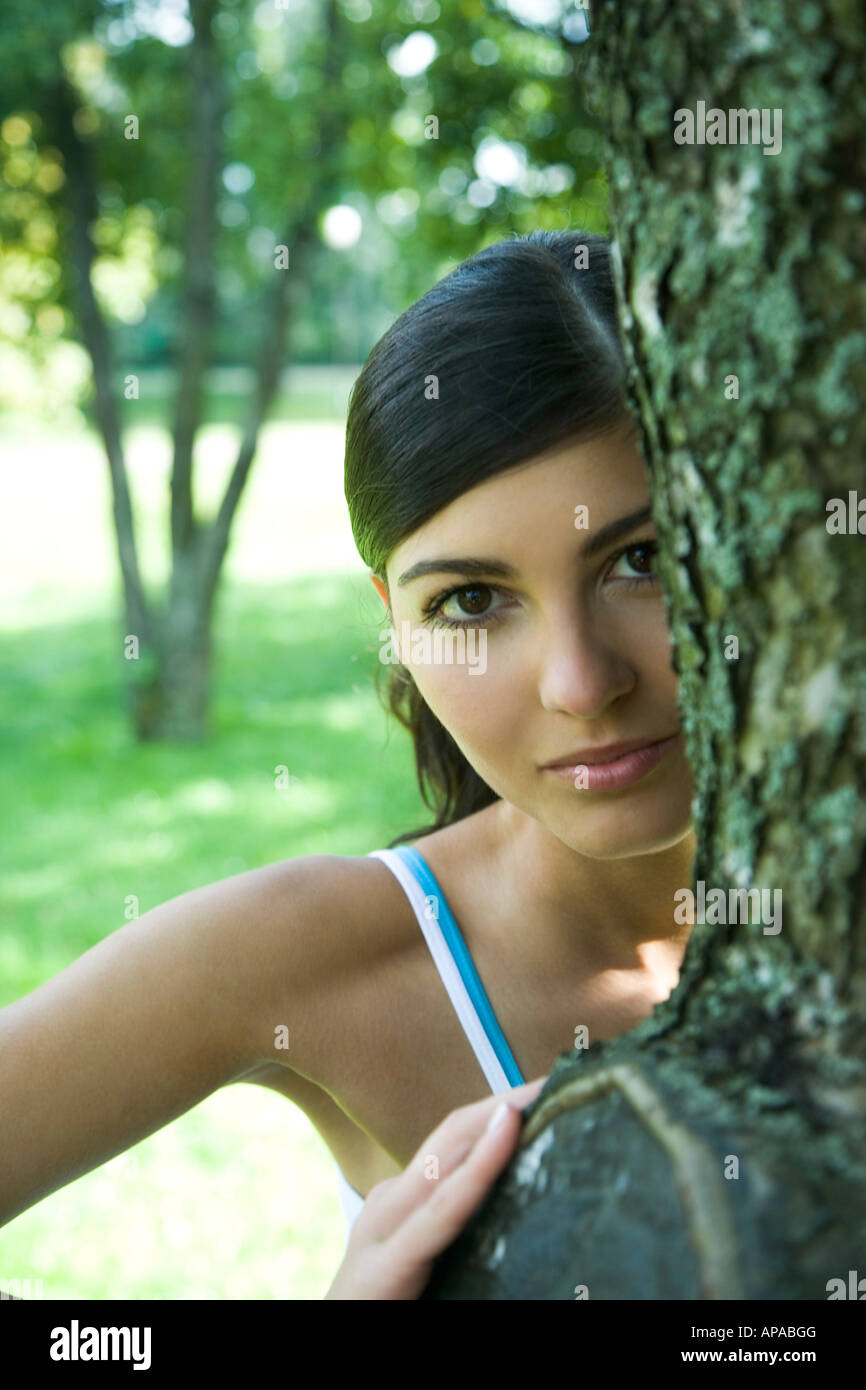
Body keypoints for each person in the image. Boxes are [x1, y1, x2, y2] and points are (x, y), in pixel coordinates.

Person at [0, 229, 696, 1300]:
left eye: (638, 561)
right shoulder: (313, 952)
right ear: (396, 624)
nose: (577, 681)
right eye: (469, 600)